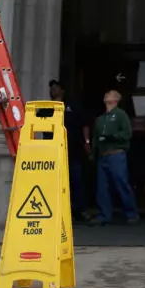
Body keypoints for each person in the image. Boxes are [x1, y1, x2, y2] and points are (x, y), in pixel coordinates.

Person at [89, 90, 139, 226]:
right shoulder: (100, 119)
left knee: (121, 183)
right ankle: (104, 215)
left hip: (116, 154)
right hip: (103, 156)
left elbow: (127, 133)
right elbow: (95, 139)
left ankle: (131, 213)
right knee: (102, 187)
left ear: (116, 99)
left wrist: (113, 136)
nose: (106, 95)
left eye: (110, 94)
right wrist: (93, 154)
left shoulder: (121, 115)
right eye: (106, 94)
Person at [49, 79, 90, 221]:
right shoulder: (48, 107)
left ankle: (80, 210)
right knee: (56, 182)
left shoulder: (73, 105)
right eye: (52, 88)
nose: (53, 90)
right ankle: (57, 210)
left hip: (73, 150)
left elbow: (84, 124)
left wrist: (87, 142)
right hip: (54, 152)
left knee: (76, 180)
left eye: (56, 88)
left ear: (62, 90)